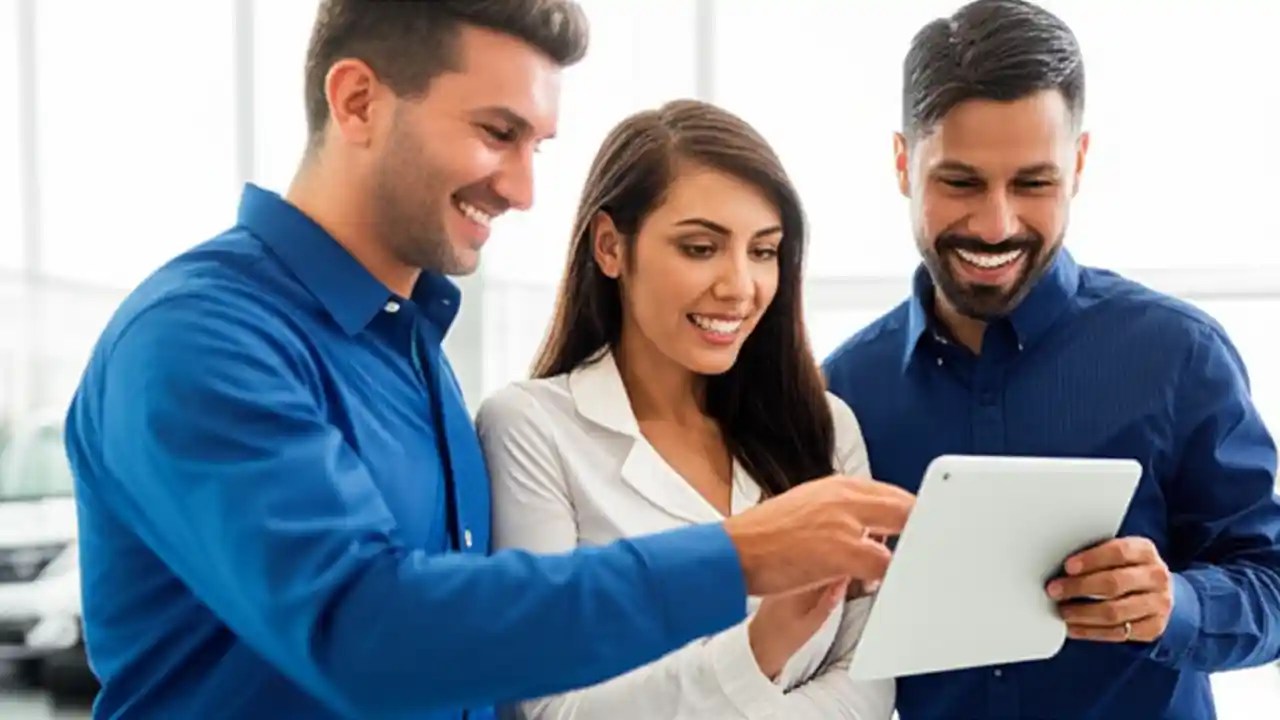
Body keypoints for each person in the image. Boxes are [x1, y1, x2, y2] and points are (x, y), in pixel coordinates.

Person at [62, 2, 915, 719]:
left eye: (536, 146)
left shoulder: (411, 352)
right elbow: (363, 629)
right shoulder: (199, 338)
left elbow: (481, 651)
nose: (522, 190)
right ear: (358, 101)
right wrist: (737, 560)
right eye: (496, 133)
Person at [822, 0, 1280, 718]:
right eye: (960, 182)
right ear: (904, 164)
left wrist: (1178, 605)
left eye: (1032, 183)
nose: (996, 224)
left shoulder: (1179, 357)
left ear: (1080, 164)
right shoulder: (842, 393)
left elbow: (1270, 584)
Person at [475, 99, 896, 720]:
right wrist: (759, 650)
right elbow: (546, 707)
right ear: (611, 247)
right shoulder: (531, 428)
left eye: (763, 251)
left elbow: (868, 682)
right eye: (701, 248)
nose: (739, 287)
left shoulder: (825, 429)